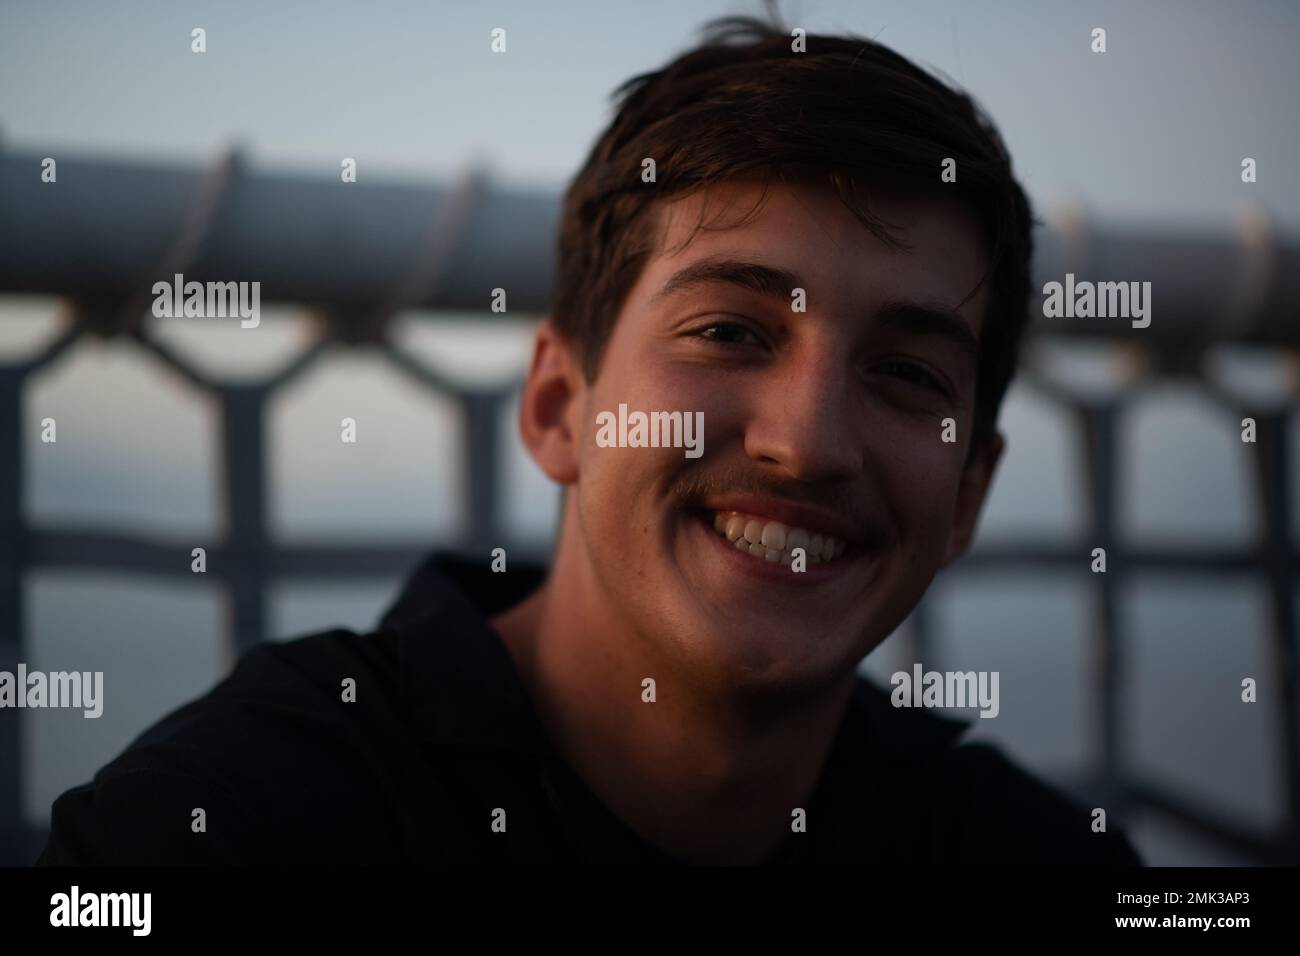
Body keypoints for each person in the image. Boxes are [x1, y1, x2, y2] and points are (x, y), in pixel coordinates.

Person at [39, 14, 1141, 866]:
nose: (806, 443)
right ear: (560, 407)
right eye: (727, 329)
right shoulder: (230, 825)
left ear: (965, 498)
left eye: (905, 372)